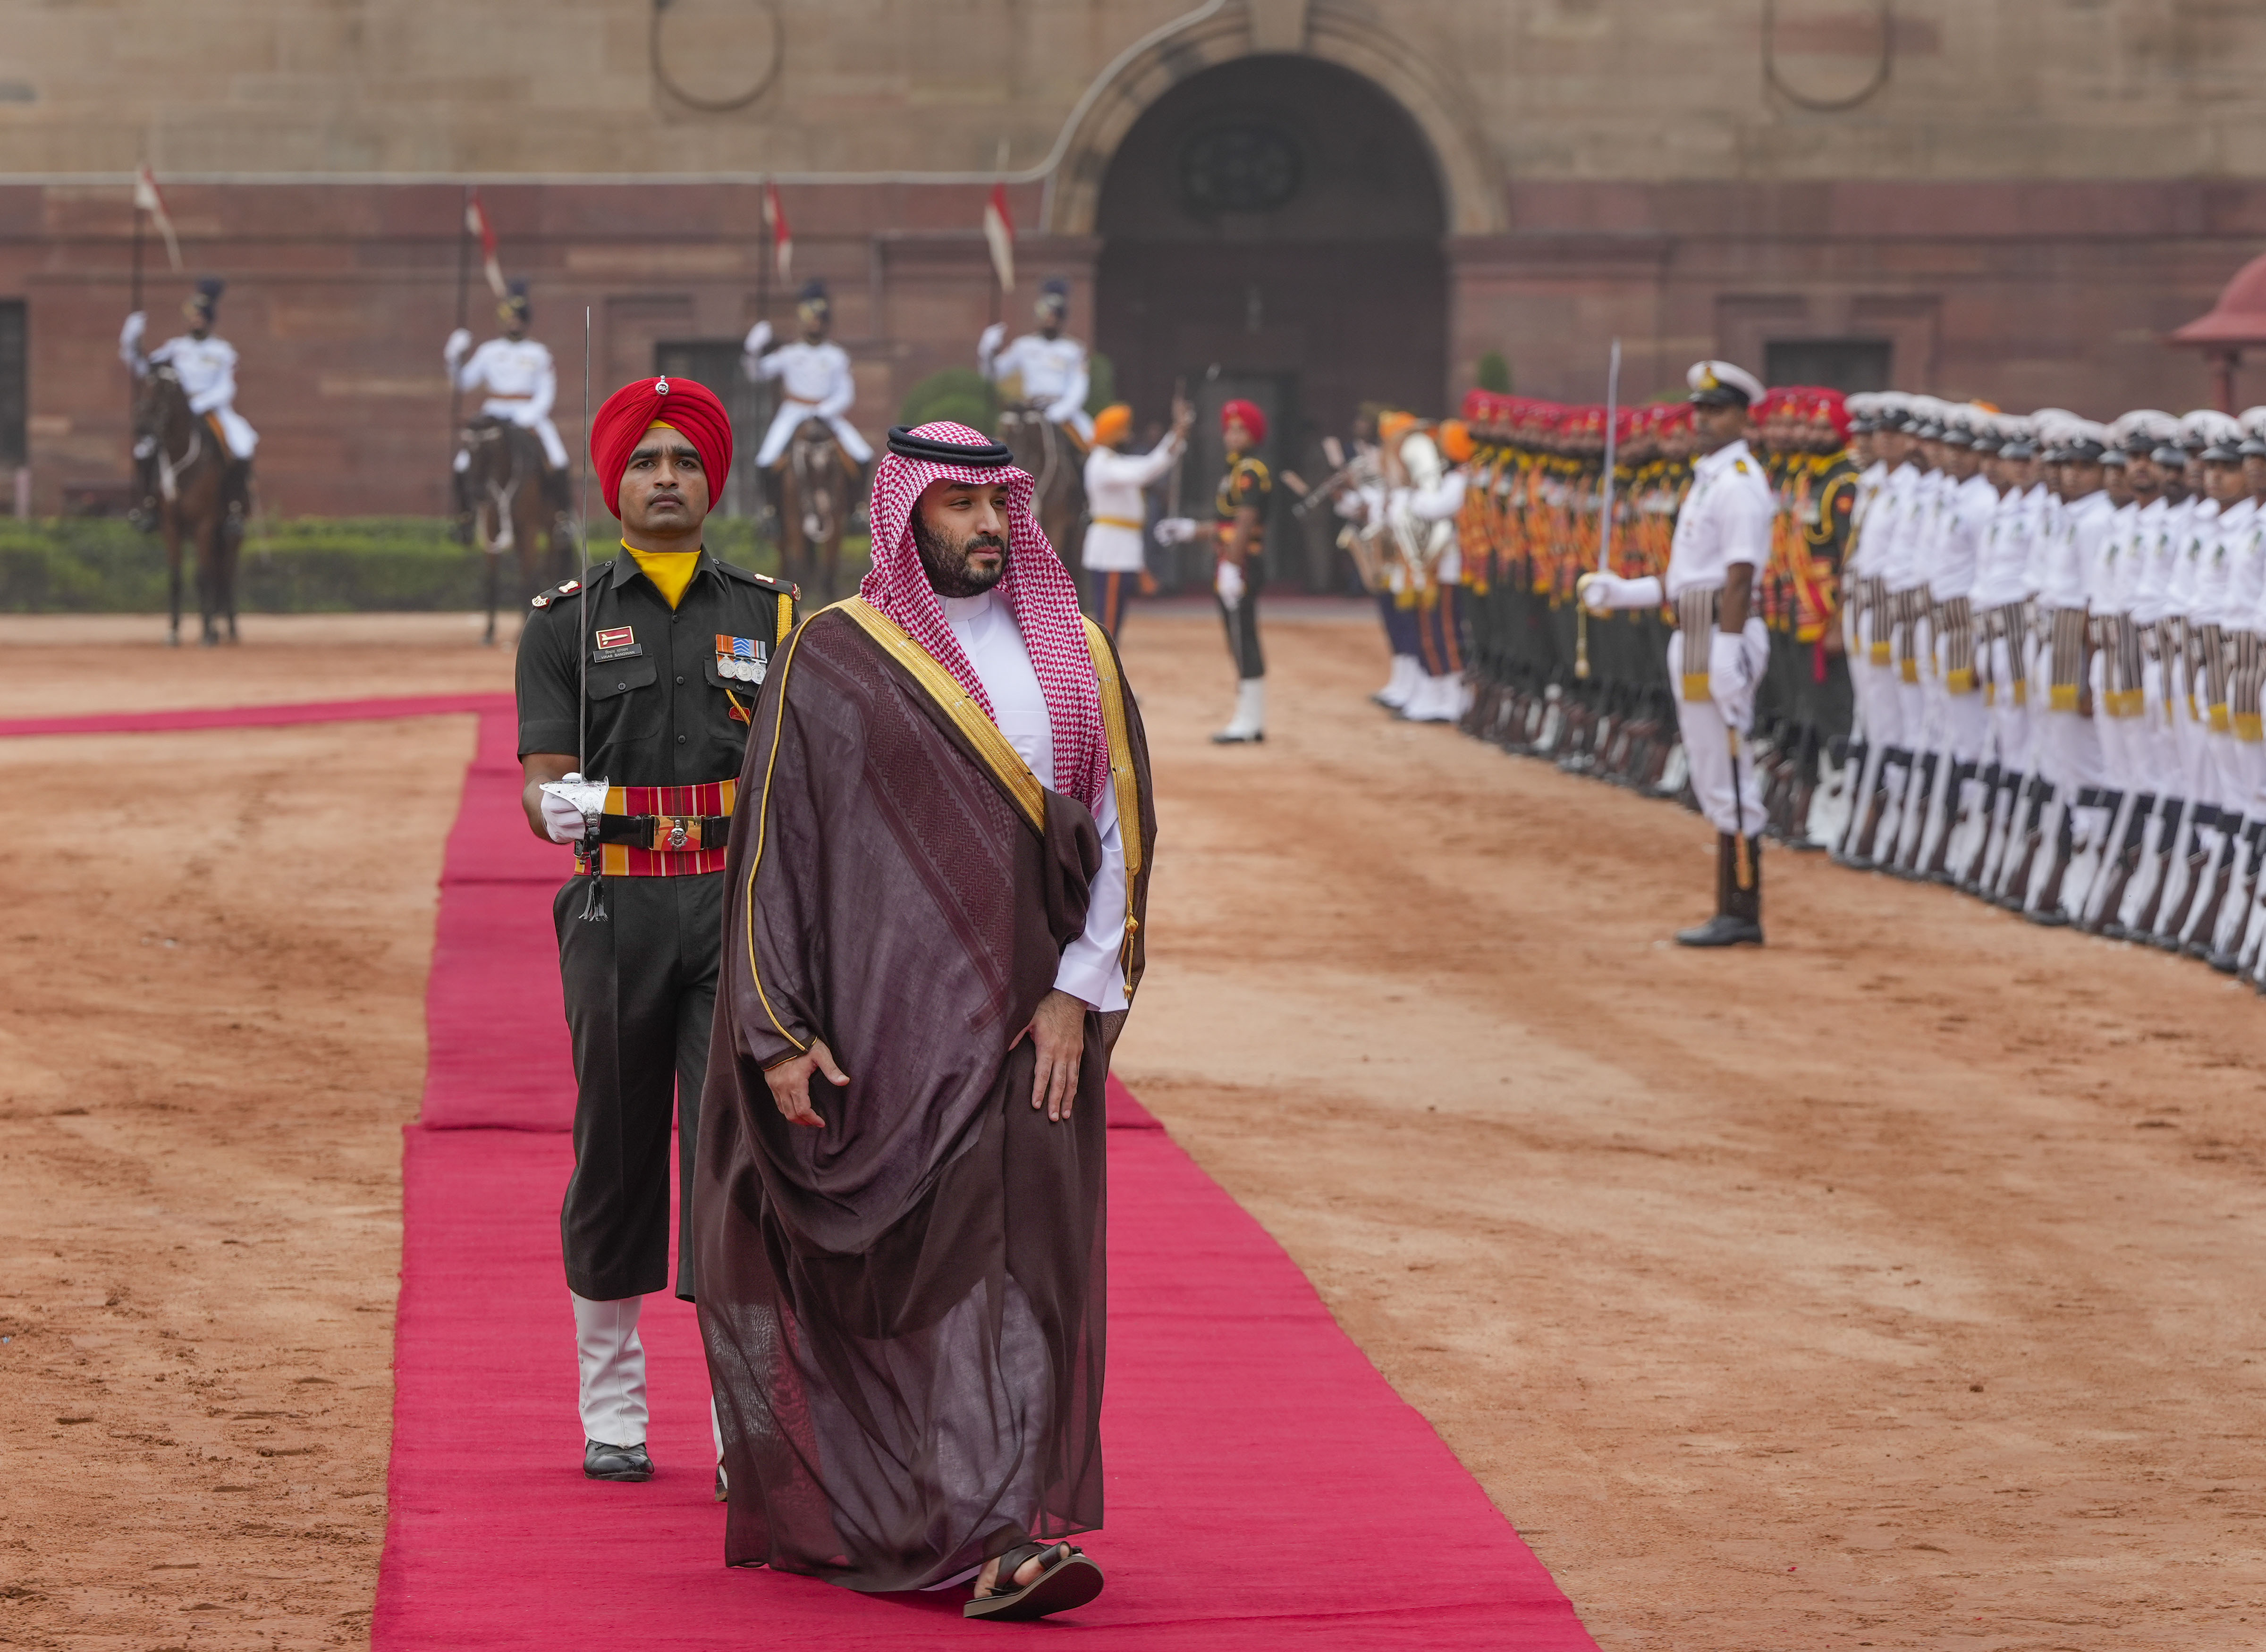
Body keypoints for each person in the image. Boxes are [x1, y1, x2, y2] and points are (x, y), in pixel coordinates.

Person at [694, 419, 1155, 1619]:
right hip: (877, 1037)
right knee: (896, 1281)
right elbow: (772, 860)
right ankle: (892, 1508)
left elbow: (1114, 841)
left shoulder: (1079, 655)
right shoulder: (834, 657)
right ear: (904, 516)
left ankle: (1000, 1532)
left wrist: (1074, 993)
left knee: (1018, 1272)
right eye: (958, 507)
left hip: (1030, 1042)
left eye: (1000, 504)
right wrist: (777, 1032)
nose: (989, 527)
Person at [514, 374, 798, 1486]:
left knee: (736, 1159)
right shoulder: (566, 624)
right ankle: (613, 1411)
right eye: (646, 462)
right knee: (616, 1152)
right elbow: (541, 786)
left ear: (710, 480)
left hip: (739, 911)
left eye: (684, 462)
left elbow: (799, 774)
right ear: (615, 482)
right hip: (618, 908)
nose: (666, 478)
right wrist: (561, 807)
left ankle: (741, 1421)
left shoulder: (770, 614)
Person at [1581, 359, 1776, 945]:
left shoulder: (1740, 482)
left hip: (1720, 632)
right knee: (1712, 767)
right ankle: (1731, 904)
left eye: (1717, 411)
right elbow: (1687, 577)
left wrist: (1730, 647)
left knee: (1731, 772)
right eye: (1701, 410)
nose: (1705, 420)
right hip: (1692, 630)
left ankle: (1742, 909)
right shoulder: (1708, 480)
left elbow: (1740, 575)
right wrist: (1624, 592)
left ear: (1744, 417)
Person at [120, 278, 255, 527]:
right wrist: (131, 340)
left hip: (212, 410)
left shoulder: (223, 351)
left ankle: (235, 508)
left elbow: (227, 387)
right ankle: (148, 507)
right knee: (145, 449)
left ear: (209, 319)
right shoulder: (175, 348)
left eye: (200, 316)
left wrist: (201, 403)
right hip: (176, 411)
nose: (195, 320)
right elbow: (143, 368)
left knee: (242, 444)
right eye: (192, 316)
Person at [446, 279, 572, 529]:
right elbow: (463, 382)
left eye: (518, 318)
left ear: (525, 321)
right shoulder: (489, 351)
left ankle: (562, 518)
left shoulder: (539, 353)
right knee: (462, 463)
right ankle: (465, 517)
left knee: (559, 459)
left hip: (529, 413)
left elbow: (547, 392)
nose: (513, 322)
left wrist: (530, 414)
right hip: (493, 414)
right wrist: (453, 356)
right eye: (509, 318)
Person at [1080, 396, 1190, 637]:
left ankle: (1108, 659)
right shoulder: (1100, 463)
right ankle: (1104, 666)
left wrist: (1177, 432)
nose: (1128, 434)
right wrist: (1176, 433)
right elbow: (1145, 472)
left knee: (1115, 615)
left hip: (1122, 545)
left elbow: (1151, 464)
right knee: (1108, 619)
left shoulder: (1112, 461)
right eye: (1123, 430)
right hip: (1111, 547)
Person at [743, 279, 873, 472]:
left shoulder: (837, 356)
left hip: (826, 414)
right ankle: (770, 503)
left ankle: (859, 503)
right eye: (810, 318)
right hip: (793, 412)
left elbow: (846, 394)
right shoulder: (789, 353)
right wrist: (753, 350)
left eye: (819, 319)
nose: (814, 323)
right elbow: (757, 374)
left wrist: (825, 410)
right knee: (766, 459)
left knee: (863, 455)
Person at [1212, 398, 1275, 743]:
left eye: (1241, 430)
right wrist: (1192, 529)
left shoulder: (1252, 470)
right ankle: (1248, 716)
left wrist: (1233, 567)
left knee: (1242, 637)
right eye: (1230, 429)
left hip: (1243, 563)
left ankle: (1250, 720)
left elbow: (1247, 522)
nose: (1233, 436)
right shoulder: (1235, 470)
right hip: (1231, 561)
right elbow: (1226, 522)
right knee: (1237, 637)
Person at [978, 278, 1093, 444]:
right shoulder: (1023, 346)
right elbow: (993, 376)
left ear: (1062, 319)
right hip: (1030, 411)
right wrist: (987, 351)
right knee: (1003, 445)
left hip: (1064, 412)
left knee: (1089, 447)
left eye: (1054, 316)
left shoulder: (1074, 350)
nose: (1049, 320)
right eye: (1045, 316)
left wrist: (1058, 413)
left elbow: (1079, 388)